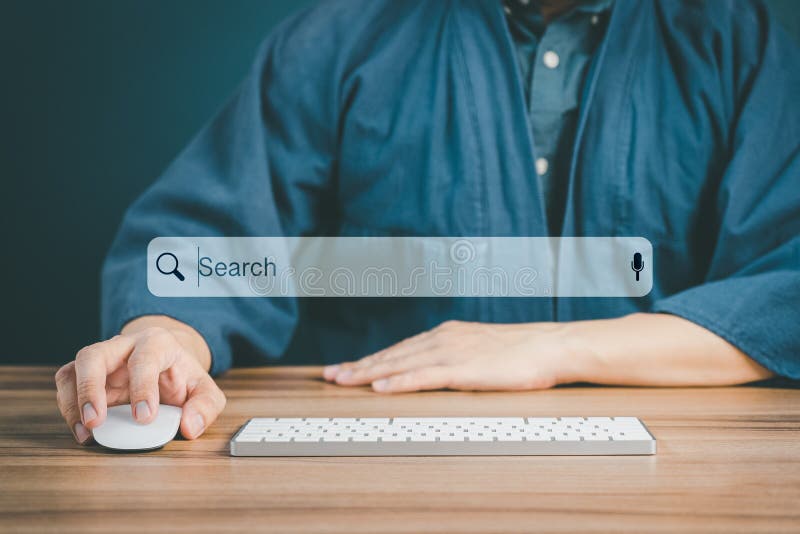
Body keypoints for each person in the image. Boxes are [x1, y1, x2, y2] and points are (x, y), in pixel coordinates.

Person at [55, 0, 800, 444]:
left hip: (679, 464)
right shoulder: (342, 36)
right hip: (387, 457)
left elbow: (787, 288)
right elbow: (210, 241)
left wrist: (552, 348)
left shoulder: (742, 40)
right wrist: (166, 336)